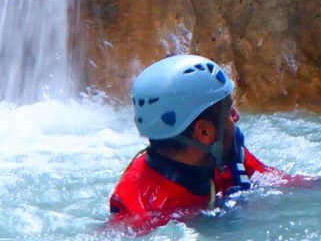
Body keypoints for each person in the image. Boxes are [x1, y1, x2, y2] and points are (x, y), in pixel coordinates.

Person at [108, 54, 274, 228]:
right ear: (204, 132)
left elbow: (285, 183)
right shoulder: (142, 218)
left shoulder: (220, 156)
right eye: (228, 111)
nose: (236, 116)